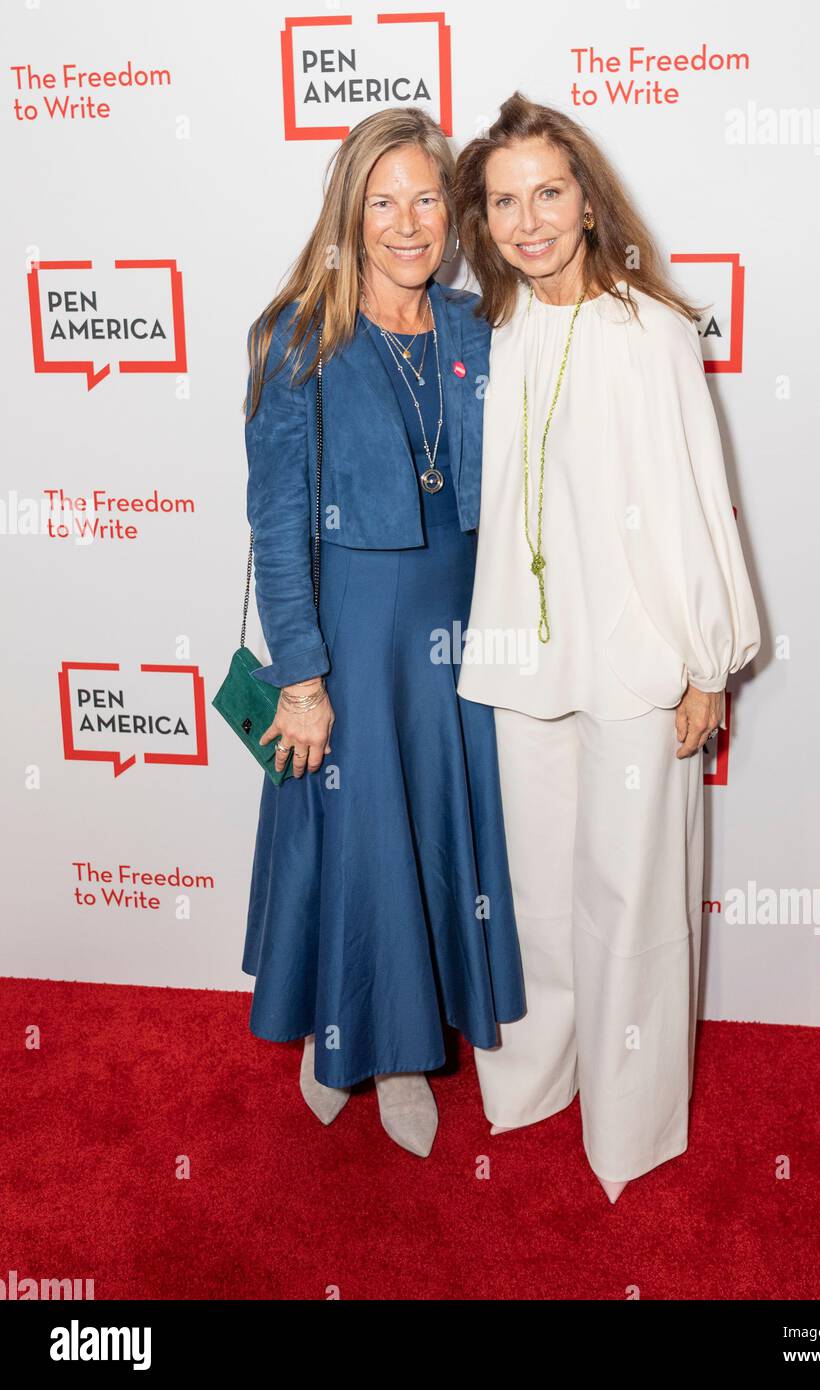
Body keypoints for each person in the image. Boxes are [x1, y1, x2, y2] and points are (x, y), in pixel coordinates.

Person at [453, 93, 761, 1201]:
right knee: (535, 892)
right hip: (520, 658)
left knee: (629, 900)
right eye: (501, 201)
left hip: (634, 660)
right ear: (478, 219)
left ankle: (625, 1125)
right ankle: (532, 1079)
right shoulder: (493, 331)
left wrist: (704, 662)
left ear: (586, 197)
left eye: (547, 192)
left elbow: (694, 500)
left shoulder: (653, 329)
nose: (527, 220)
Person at [240, 107, 525, 1159]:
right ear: (349, 214)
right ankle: (348, 1043)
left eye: (425, 200)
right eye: (382, 201)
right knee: (357, 847)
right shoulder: (297, 337)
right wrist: (303, 678)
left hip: (461, 624)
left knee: (432, 842)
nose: (408, 223)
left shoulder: (476, 326)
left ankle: (409, 1046)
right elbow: (275, 526)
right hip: (351, 631)